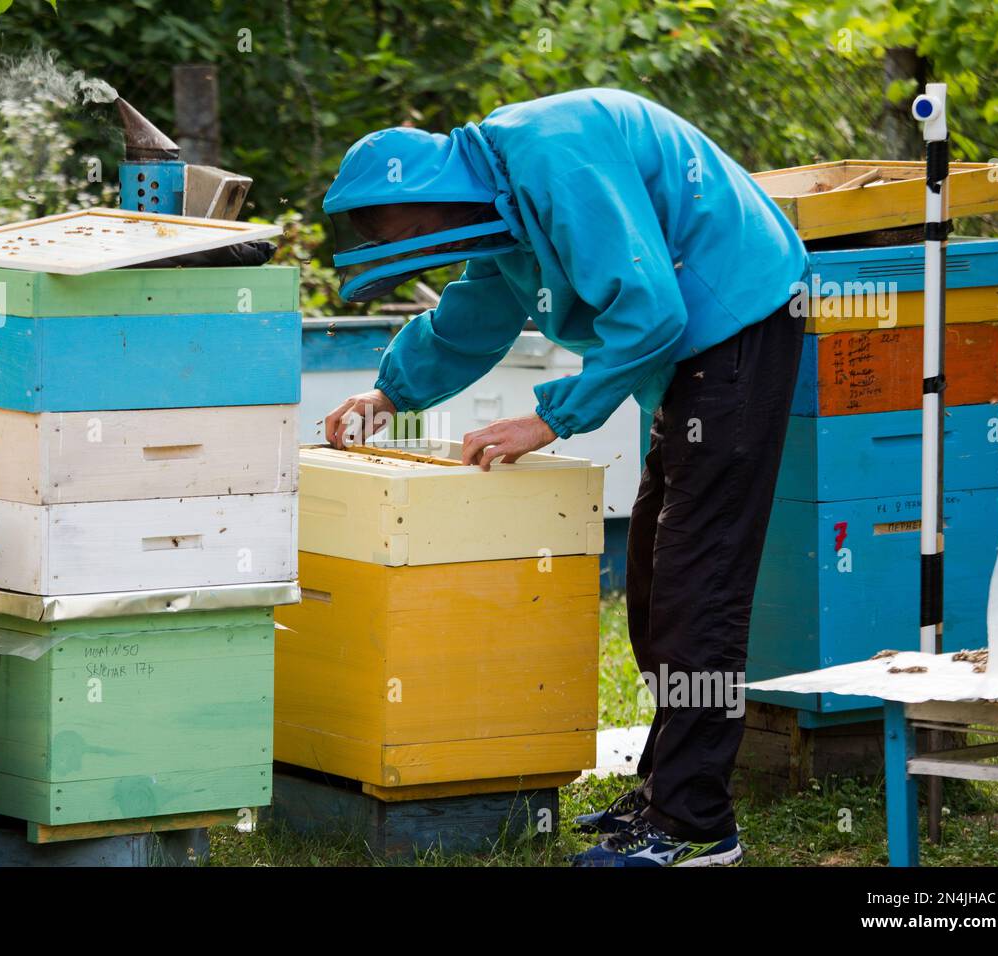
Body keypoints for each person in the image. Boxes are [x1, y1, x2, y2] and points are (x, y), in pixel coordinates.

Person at [321, 88, 808, 867]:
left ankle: (696, 827)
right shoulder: (500, 199)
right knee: (653, 578)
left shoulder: (550, 154)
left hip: (739, 319)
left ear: (434, 197)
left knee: (699, 586)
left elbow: (650, 312)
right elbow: (472, 314)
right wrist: (388, 394)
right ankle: (663, 790)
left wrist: (551, 418)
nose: (432, 249)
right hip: (699, 350)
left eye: (420, 235)